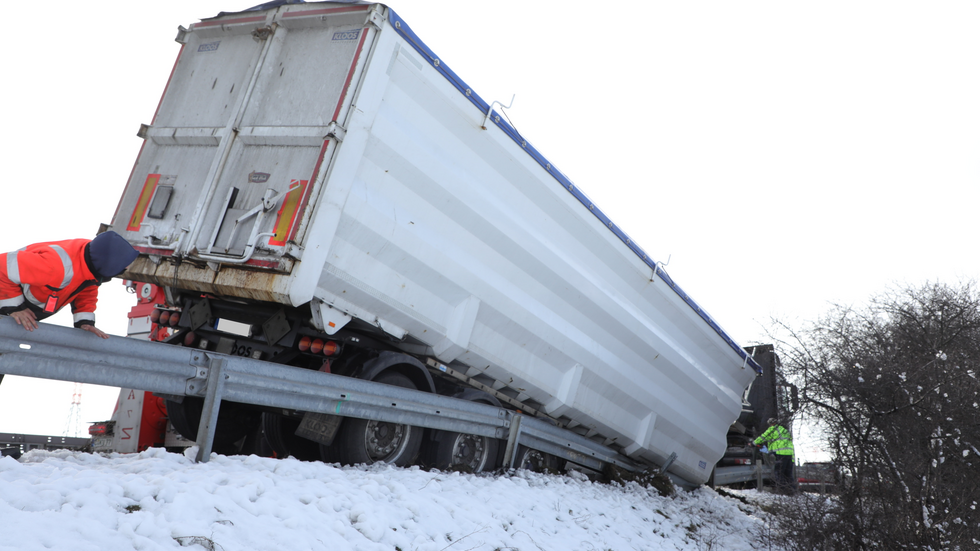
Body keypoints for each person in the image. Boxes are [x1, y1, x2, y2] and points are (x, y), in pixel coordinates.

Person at [0, 231, 138, 340]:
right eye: (124, 264)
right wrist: (14, 307)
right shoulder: (55, 266)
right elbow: (2, 266)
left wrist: (84, 322)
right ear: (110, 263)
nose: (126, 267)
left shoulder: (92, 260)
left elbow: (86, 289)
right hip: (8, 307)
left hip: (15, 315)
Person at [755, 417, 796, 493]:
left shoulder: (773, 429)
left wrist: (754, 443)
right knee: (788, 474)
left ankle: (783, 491)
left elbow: (763, 437)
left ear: (771, 424)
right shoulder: (785, 431)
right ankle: (793, 491)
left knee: (779, 473)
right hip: (790, 455)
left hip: (781, 454)